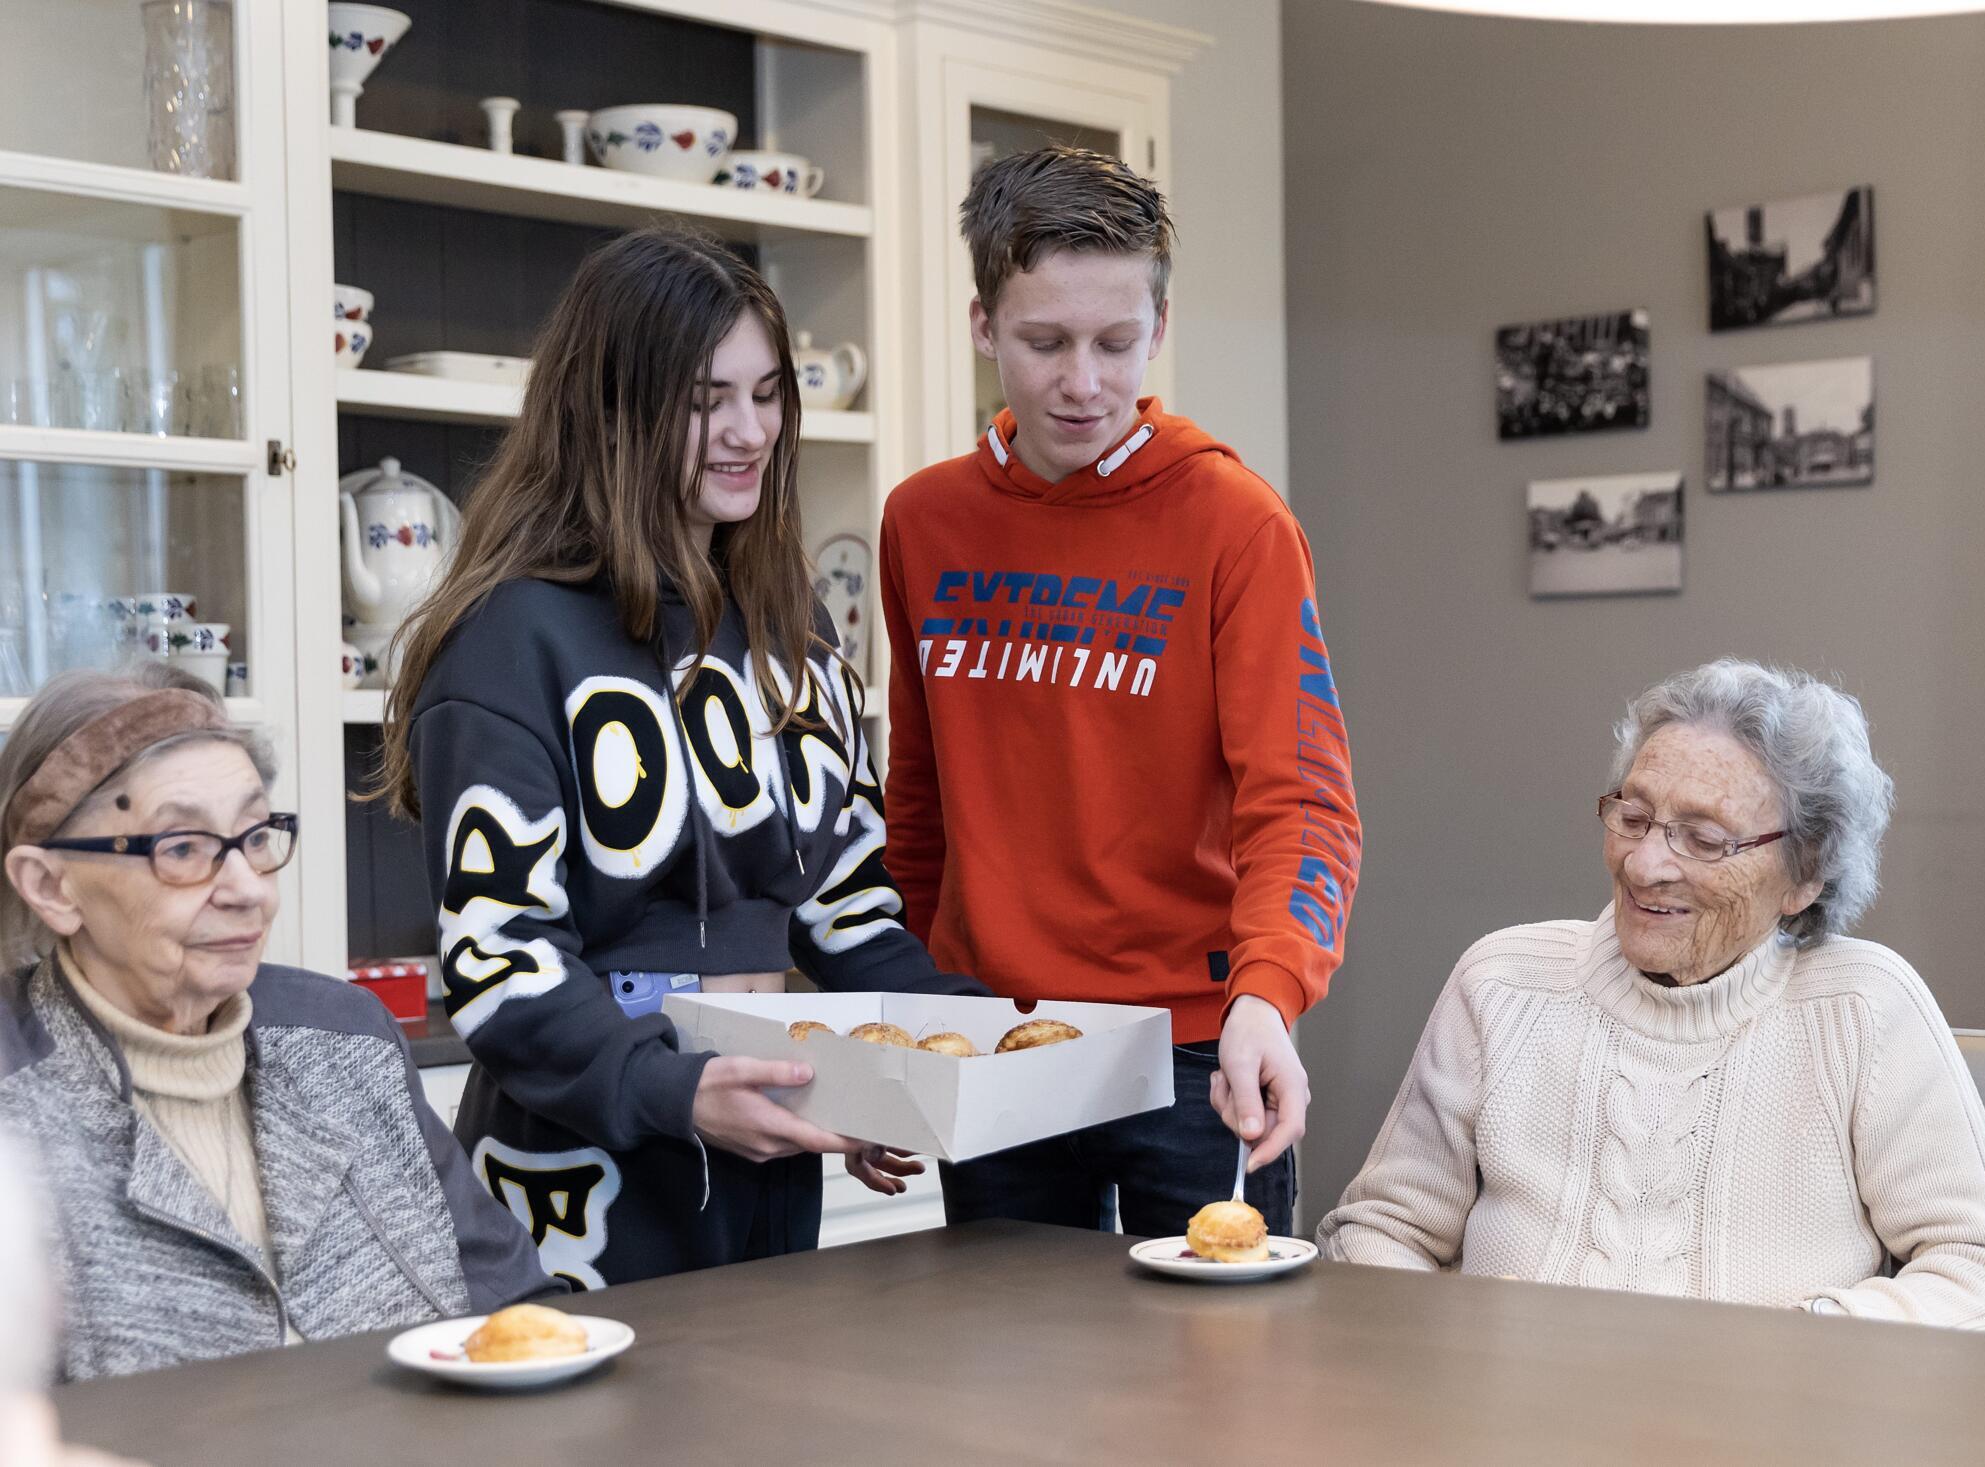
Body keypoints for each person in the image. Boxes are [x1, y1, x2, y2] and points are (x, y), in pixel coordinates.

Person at [378, 226, 979, 1288]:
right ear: (609, 412)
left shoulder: (794, 631)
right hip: (580, 1186)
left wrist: (949, 1057)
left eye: (767, 391)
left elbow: (851, 909)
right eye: (705, 401)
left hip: (767, 1154)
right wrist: (671, 1090)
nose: (748, 431)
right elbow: (500, 961)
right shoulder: (511, 640)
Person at [879, 146, 1361, 1239]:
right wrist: (901, 1027)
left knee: (1215, 1386)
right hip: (992, 1040)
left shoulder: (1236, 526)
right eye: (1043, 342)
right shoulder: (923, 521)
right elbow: (918, 804)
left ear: (1159, 326)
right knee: (1006, 1381)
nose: (1082, 382)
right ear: (981, 324)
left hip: (1193, 1050)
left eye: (1115, 341)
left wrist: (1267, 996)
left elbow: (1303, 804)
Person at [1318, 659, 1985, 1326]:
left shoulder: (1864, 1009)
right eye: (1632, 817)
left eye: (1702, 838)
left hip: (1770, 1424)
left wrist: (1806, 1339)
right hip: (1505, 1420)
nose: (1643, 864)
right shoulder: (1501, 984)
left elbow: (1969, 1259)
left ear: (1803, 873)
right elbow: (1379, 1232)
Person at [0, 665, 556, 1382]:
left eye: (255, 835)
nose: (247, 890)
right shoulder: (17, 1101)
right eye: (181, 849)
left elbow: (520, 1314)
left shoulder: (345, 1037)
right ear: (51, 886)